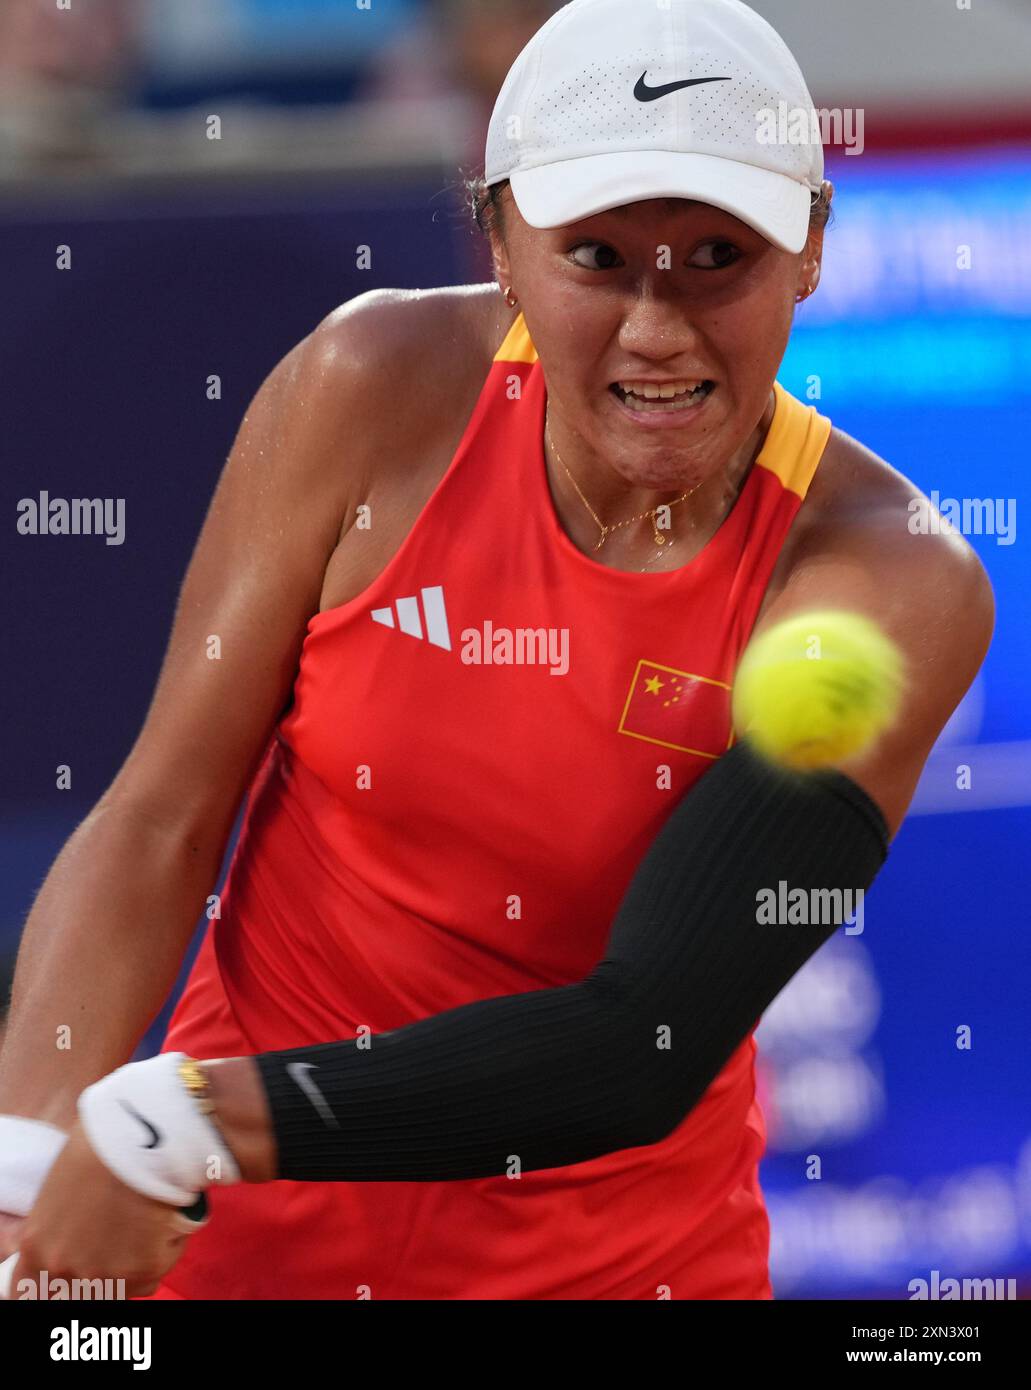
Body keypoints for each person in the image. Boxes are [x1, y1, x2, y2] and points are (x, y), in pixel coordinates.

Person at [0, 0, 992, 1301]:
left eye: (717, 254)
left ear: (809, 248)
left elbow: (642, 1039)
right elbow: (158, 814)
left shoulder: (891, 579)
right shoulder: (368, 383)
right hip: (241, 1256)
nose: (657, 323)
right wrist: (27, 1176)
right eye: (597, 255)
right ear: (502, 243)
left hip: (616, 1270)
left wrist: (176, 1127)